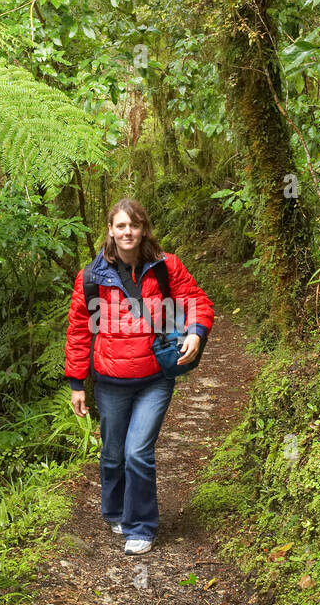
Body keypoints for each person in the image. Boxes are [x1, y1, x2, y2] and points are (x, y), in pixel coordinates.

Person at [64, 198, 214, 556]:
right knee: (113, 454)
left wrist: (195, 331)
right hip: (110, 381)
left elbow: (196, 300)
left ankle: (141, 526)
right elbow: (78, 331)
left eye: (133, 225)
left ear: (143, 228)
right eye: (120, 226)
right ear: (110, 231)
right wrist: (76, 384)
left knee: (137, 453)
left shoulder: (165, 266)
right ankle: (115, 510)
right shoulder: (90, 278)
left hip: (155, 377)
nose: (127, 232)